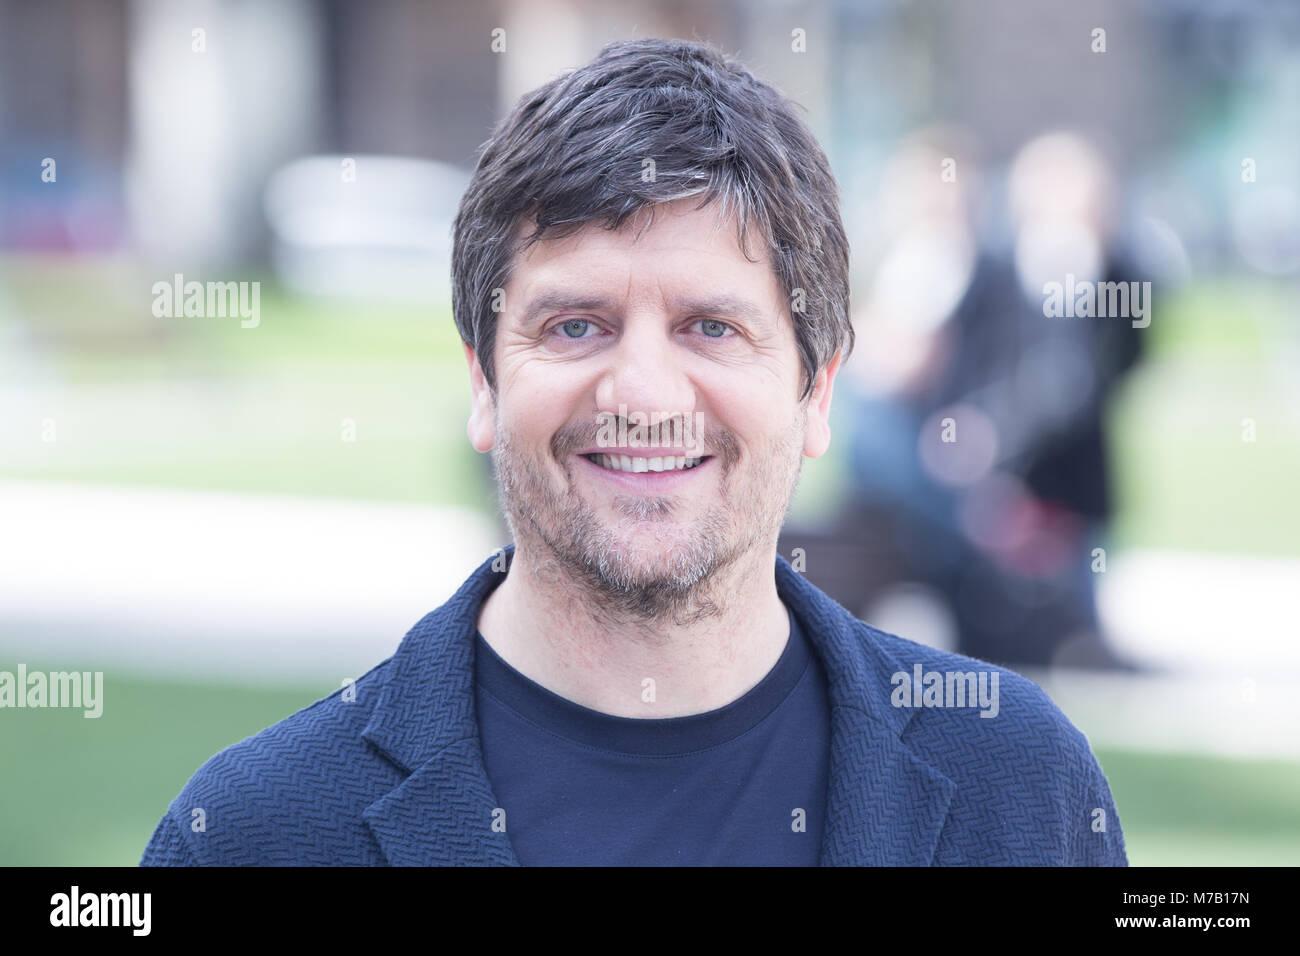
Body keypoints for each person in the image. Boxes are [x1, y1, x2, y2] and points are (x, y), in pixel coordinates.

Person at [139, 38, 1125, 866]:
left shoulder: (1023, 793)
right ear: (483, 381)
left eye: (709, 326)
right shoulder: (253, 833)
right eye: (574, 325)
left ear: (816, 390)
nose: (644, 392)